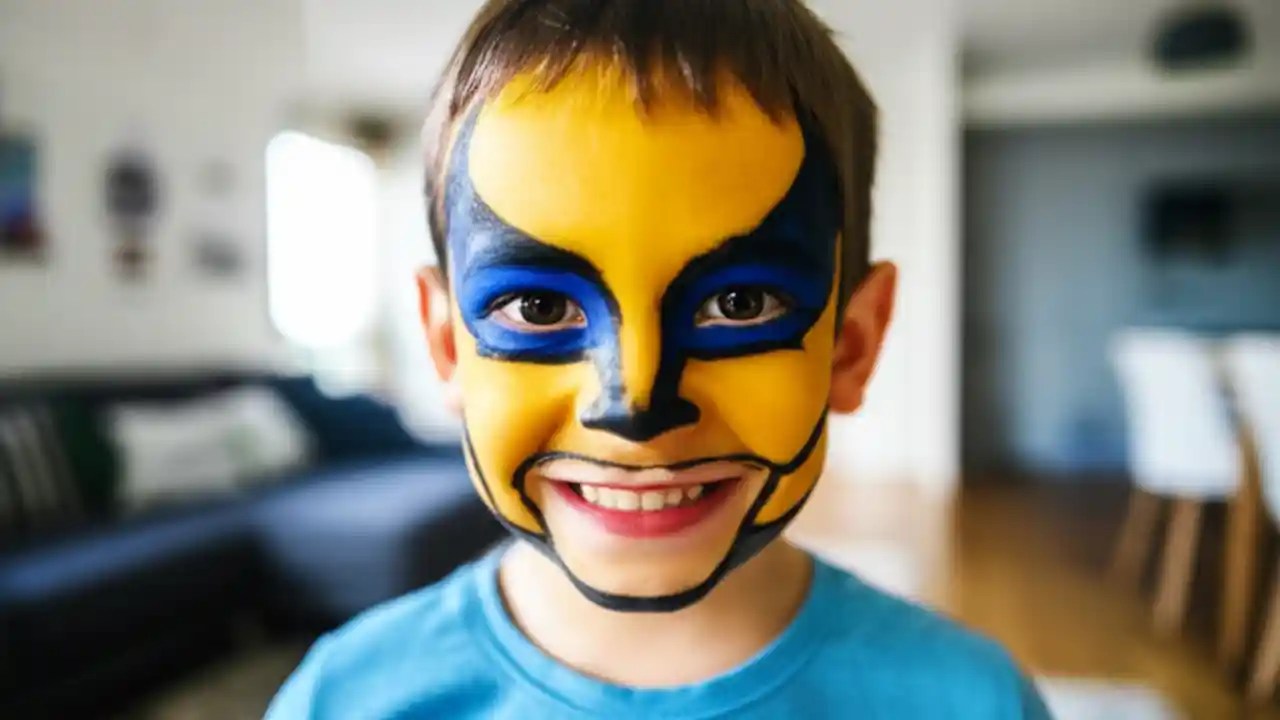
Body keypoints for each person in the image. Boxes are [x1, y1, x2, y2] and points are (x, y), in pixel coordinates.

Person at [267, 1, 1052, 717]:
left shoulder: (973, 702)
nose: (635, 404)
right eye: (539, 308)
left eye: (740, 305)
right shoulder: (341, 701)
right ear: (448, 347)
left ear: (852, 346)